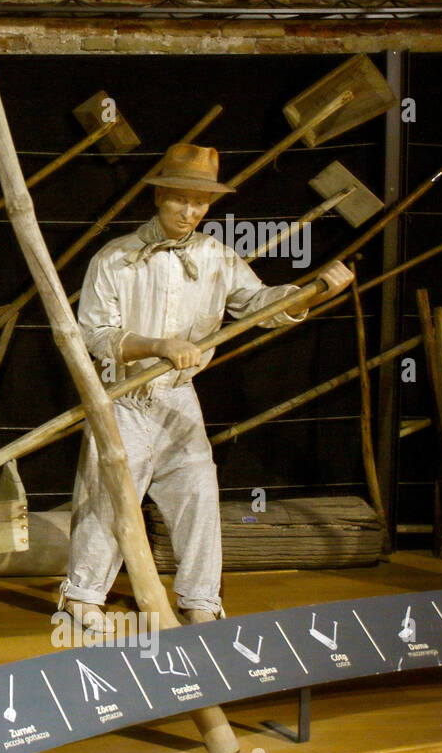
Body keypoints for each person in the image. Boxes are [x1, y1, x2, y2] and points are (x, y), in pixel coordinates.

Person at [58, 143, 352, 631]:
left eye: (200, 204)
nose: (190, 212)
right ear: (158, 198)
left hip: (177, 398)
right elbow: (96, 336)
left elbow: (260, 303)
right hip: (122, 398)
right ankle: (82, 597)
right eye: (180, 201)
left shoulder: (218, 258)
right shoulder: (115, 259)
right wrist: (159, 344)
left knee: (197, 491)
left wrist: (312, 290)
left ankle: (199, 600)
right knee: (110, 494)